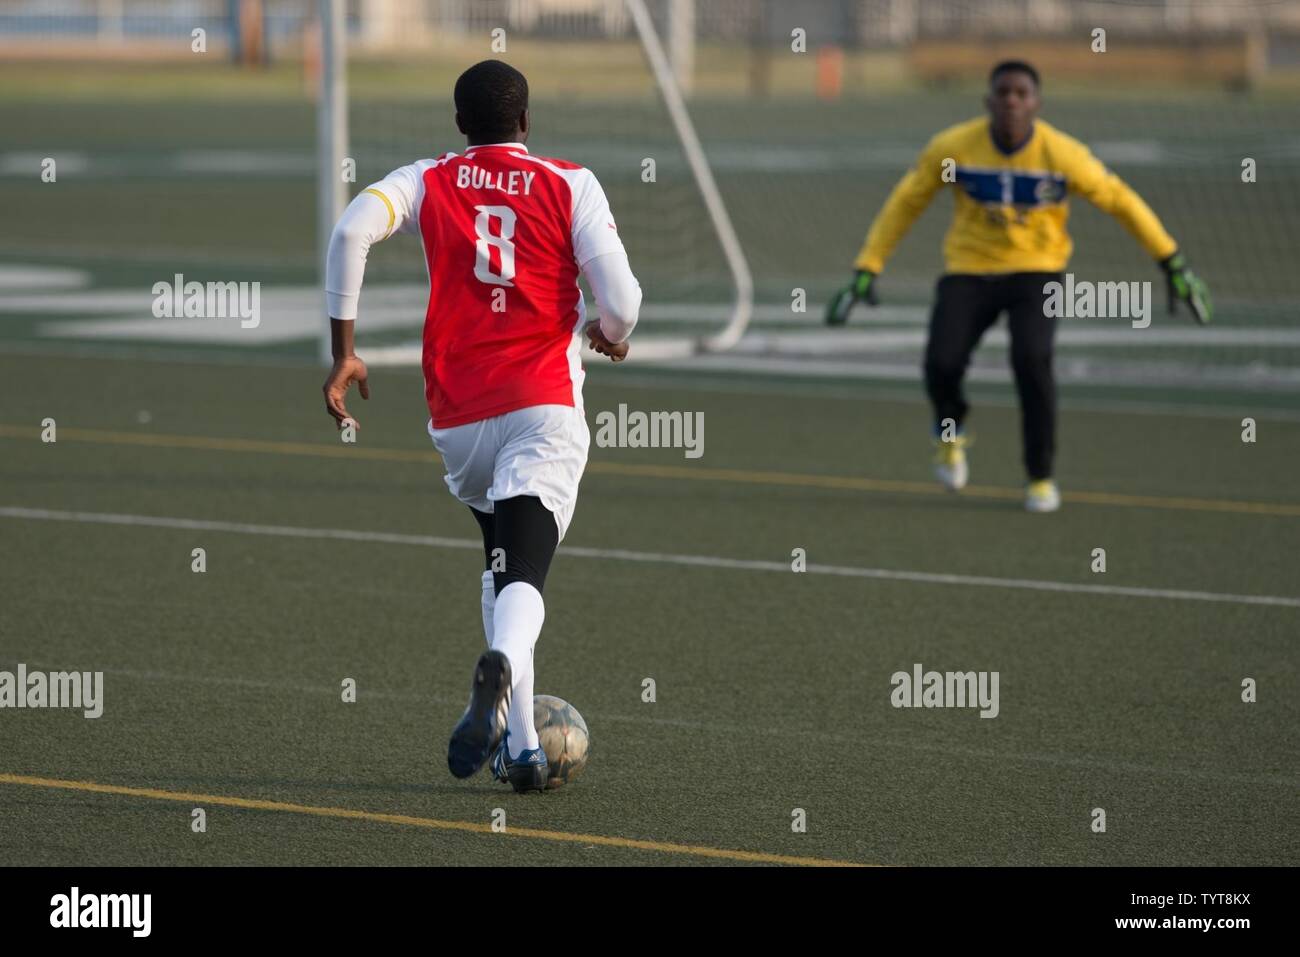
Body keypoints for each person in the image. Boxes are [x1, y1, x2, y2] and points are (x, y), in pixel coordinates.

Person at [322, 59, 641, 791]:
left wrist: (345, 352)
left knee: (499, 556)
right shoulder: (570, 182)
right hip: (542, 405)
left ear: (460, 123)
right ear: (526, 122)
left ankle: (524, 746)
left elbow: (350, 233)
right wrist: (608, 328)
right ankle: (500, 677)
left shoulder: (428, 177)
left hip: (458, 416)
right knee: (525, 567)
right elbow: (622, 299)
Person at [827, 60, 1211, 512]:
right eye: (1003, 93)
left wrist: (1172, 261)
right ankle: (950, 432)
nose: (1012, 101)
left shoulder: (1062, 156)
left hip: (1036, 271)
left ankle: (1039, 476)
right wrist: (867, 266)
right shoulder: (953, 151)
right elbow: (906, 202)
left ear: (1037, 104)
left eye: (1021, 94)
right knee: (940, 363)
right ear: (988, 102)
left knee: (1032, 359)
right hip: (969, 270)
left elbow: (1121, 201)